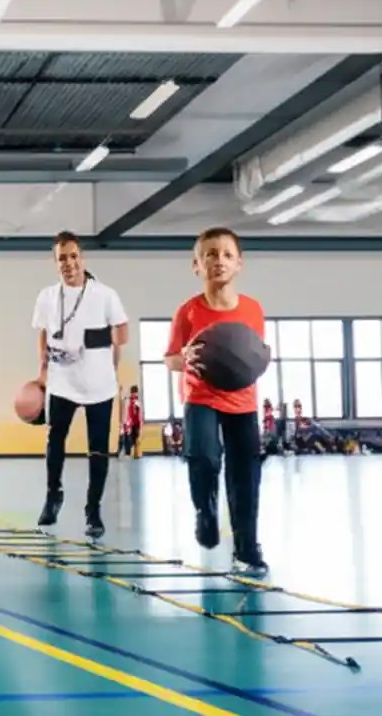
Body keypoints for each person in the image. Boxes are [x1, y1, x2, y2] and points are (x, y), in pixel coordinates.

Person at [164, 227, 268, 576]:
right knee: (205, 459)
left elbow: (251, 357)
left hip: (242, 401)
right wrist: (184, 357)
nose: (218, 260)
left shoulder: (254, 309)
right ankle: (205, 512)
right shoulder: (188, 312)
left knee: (246, 475)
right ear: (197, 265)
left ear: (239, 263)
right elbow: (170, 359)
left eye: (226, 254)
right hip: (201, 396)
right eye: (209, 254)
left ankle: (247, 549)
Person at [32, 231, 129, 537]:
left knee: (97, 449)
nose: (68, 263)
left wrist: (93, 341)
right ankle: (53, 495)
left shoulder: (105, 294)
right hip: (62, 383)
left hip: (99, 385)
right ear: (55, 262)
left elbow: (122, 334)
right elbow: (43, 334)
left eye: (73, 256)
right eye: (62, 257)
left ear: (82, 258)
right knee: (54, 441)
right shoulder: (47, 296)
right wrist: (43, 371)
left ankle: (93, 509)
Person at [119, 386, 142, 458]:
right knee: (128, 437)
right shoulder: (129, 400)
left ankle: (134, 453)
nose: (135, 395)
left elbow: (139, 413)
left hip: (134, 422)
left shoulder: (136, 401)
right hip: (130, 422)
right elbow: (122, 400)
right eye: (134, 393)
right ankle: (128, 452)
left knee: (134, 438)